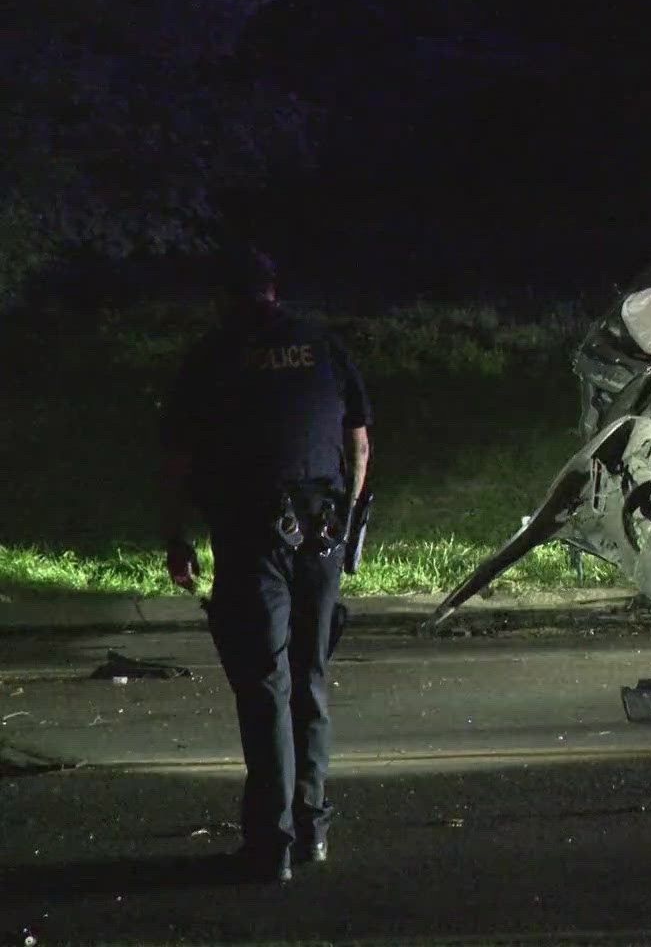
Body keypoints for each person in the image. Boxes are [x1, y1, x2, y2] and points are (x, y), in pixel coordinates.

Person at [161, 247, 371, 884]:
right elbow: (358, 442)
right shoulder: (323, 347)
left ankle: (271, 844)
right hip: (322, 532)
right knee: (308, 679)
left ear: (226, 297)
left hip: (254, 537)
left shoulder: (213, 356)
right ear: (274, 290)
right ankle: (313, 833)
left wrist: (176, 535)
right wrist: (350, 520)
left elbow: (178, 456)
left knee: (264, 688)